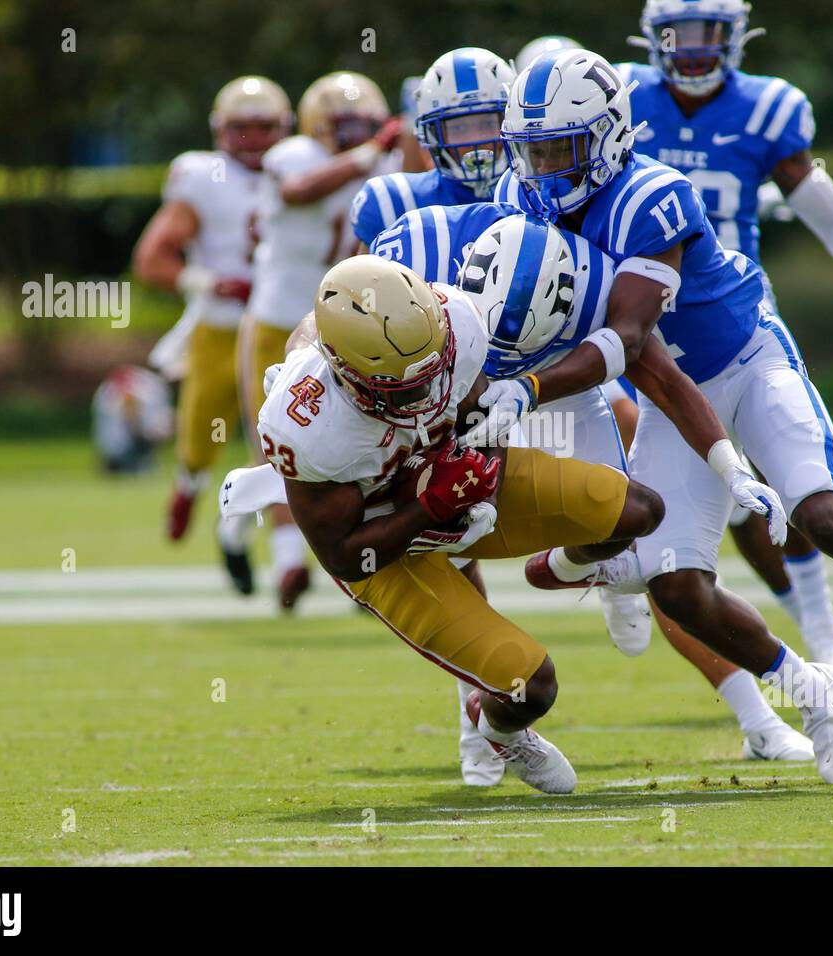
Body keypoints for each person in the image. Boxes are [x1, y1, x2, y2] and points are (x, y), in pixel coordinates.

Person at [482, 47, 833, 764]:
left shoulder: (655, 194)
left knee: (821, 514)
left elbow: (630, 335)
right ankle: (811, 696)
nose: (545, 169)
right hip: (672, 394)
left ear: (611, 135)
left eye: (561, 150)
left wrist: (523, 390)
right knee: (676, 587)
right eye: (533, 151)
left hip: (747, 360)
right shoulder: (517, 201)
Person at [374, 207, 822, 779]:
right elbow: (334, 323)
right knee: (451, 535)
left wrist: (730, 468)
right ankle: (481, 731)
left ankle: (584, 571)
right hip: (447, 396)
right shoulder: (416, 244)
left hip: (559, 385)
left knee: (633, 525)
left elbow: (662, 377)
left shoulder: (594, 281)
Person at [251, 255, 670, 793]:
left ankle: (565, 568)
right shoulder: (307, 427)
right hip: (387, 544)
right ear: (347, 374)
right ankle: (500, 731)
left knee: (637, 511)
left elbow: (479, 412)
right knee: (531, 686)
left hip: (453, 484)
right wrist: (431, 505)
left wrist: (481, 468)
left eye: (436, 369)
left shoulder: (455, 322)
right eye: (407, 390)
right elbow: (347, 557)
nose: (427, 395)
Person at [616, 0, 833, 686]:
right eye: (681, 35)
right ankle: (616, 573)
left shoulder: (766, 110)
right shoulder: (623, 98)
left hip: (733, 320)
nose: (695, 51)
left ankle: (820, 624)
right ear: (652, 40)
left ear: (736, 39)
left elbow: (820, 202)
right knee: (645, 476)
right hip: (638, 321)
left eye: (710, 36)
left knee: (766, 486)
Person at [239, 71, 401, 608]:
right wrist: (372, 152)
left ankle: (363, 561)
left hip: (347, 328)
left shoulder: (386, 164)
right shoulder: (297, 155)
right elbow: (298, 189)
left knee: (364, 442)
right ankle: (290, 563)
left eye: (366, 127)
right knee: (280, 442)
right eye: (345, 126)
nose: (356, 135)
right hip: (284, 319)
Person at [132, 75, 290, 593]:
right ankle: (189, 486)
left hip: (287, 329)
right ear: (221, 131)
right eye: (240, 129)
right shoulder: (204, 176)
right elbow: (152, 258)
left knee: (277, 447)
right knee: (200, 441)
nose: (252, 140)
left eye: (263, 128)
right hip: (219, 328)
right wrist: (208, 281)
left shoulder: (304, 168)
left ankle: (237, 534)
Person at [350, 48, 515, 254]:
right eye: (459, 128)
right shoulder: (397, 202)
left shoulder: (537, 195)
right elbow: (359, 284)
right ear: (432, 134)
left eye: (486, 123)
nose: (475, 139)